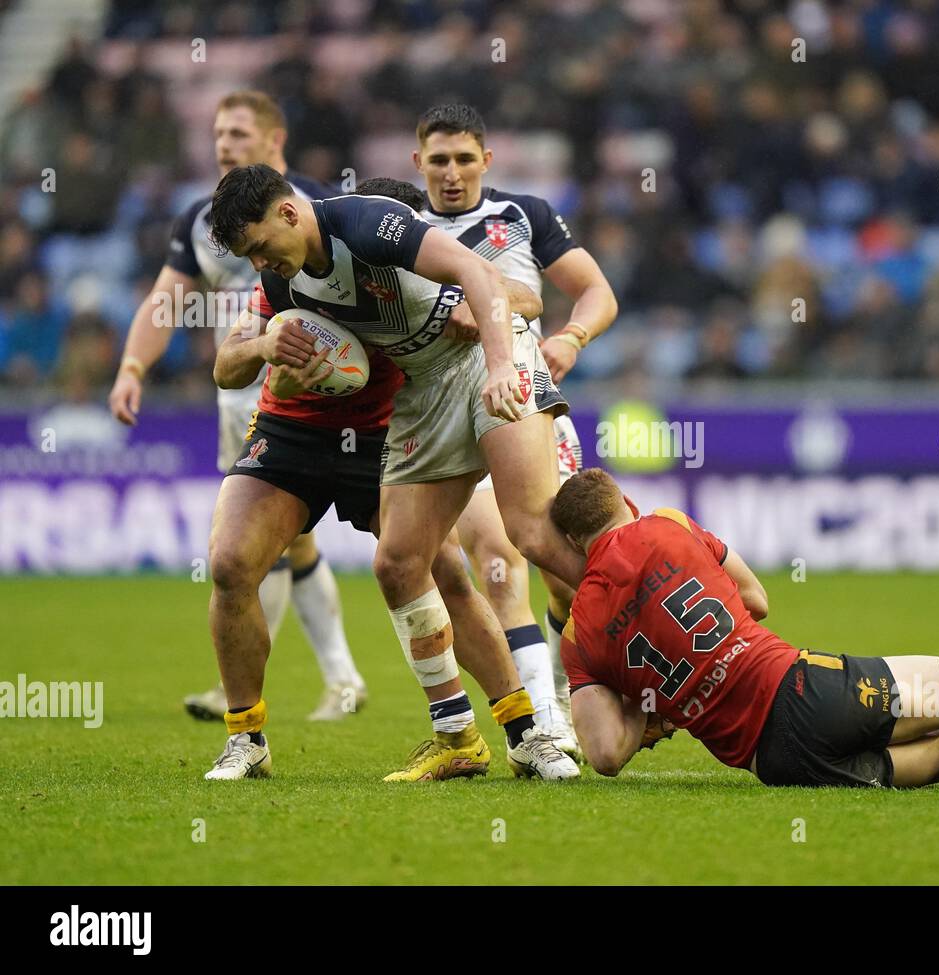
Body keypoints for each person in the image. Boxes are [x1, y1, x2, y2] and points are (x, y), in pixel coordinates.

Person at [207, 165, 589, 780]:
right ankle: (249, 740)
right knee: (241, 563)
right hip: (307, 429)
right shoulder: (280, 281)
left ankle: (541, 720)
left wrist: (494, 351)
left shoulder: (375, 229)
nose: (258, 264)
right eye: (247, 255)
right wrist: (262, 348)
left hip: (406, 415)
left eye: (257, 249)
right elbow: (226, 364)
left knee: (499, 550)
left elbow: (503, 287)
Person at [552, 469, 939, 792]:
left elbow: (606, 752)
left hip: (771, 763)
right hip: (802, 690)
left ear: (578, 547)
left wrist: (662, 709)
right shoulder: (664, 522)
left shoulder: (581, 631)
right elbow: (757, 599)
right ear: (624, 506)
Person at [106, 90, 365, 722]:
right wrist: (133, 366)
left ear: (275, 141)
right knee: (288, 546)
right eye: (219, 132)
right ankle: (341, 680)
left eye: (239, 133)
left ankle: (256, 691)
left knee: (265, 546)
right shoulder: (199, 220)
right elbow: (165, 301)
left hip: (308, 392)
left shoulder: (312, 206)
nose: (224, 143)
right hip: (236, 394)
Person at [412, 104, 619, 755]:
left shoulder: (521, 214)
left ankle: (561, 686)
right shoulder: (402, 227)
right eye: (438, 159)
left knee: (558, 568)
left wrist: (573, 338)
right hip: (445, 415)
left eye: (464, 158)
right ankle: (542, 723)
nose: (451, 173)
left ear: (486, 161)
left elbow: (595, 291)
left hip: (526, 399)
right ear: (418, 162)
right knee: (499, 562)